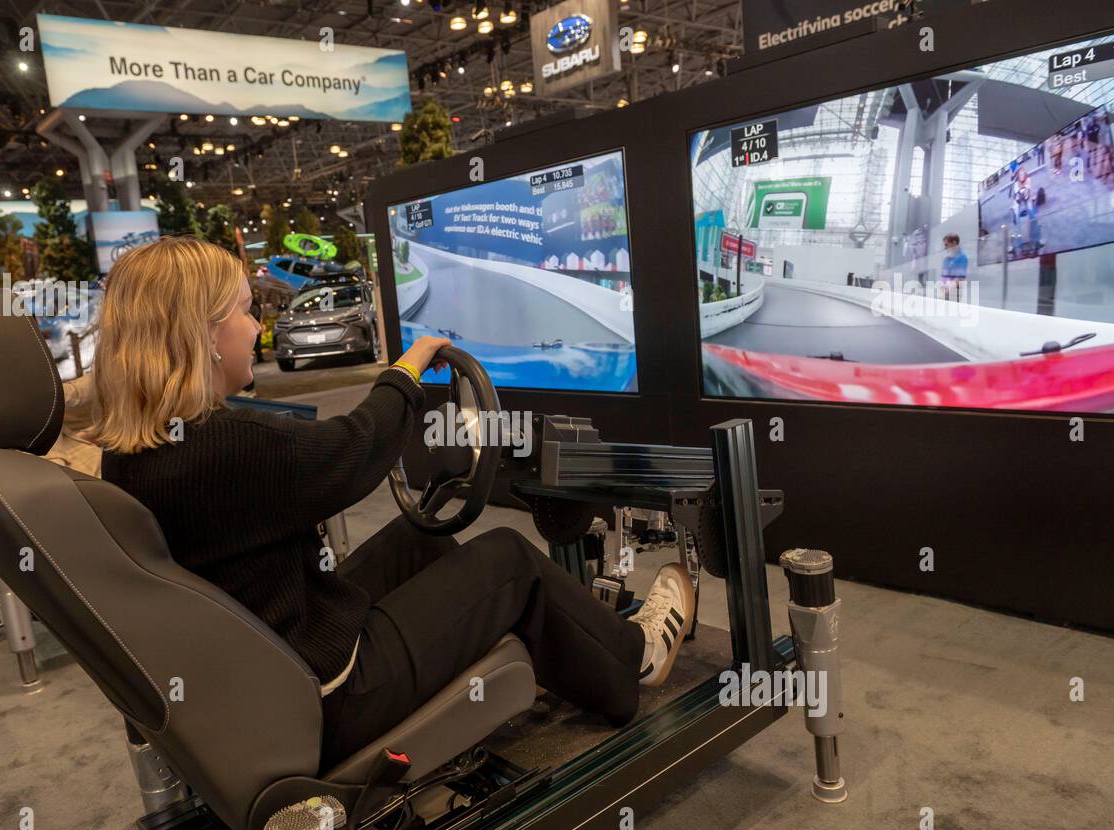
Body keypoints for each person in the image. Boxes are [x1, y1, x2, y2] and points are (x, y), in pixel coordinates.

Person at [92, 237, 695, 770]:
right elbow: (354, 451)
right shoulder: (223, 446)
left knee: (417, 538)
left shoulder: (135, 451)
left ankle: (558, 646)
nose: (258, 329)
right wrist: (405, 373)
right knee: (509, 558)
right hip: (330, 695)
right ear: (201, 333)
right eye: (247, 313)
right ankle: (634, 659)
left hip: (270, 670)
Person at [940, 233, 969, 300]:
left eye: (946, 245)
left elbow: (960, 278)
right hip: (945, 292)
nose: (945, 248)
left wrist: (948, 290)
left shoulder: (962, 257)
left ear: (954, 243)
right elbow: (943, 276)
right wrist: (942, 288)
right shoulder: (947, 259)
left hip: (953, 293)